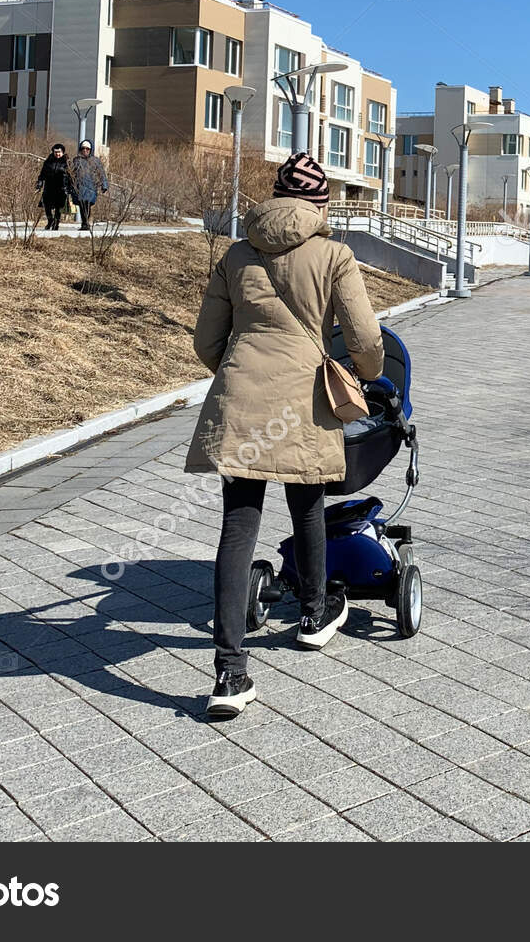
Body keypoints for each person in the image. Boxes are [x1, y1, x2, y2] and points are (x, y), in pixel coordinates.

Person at [187, 152, 385, 720]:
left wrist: (241, 375)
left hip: (243, 398)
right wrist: (369, 377)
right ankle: (314, 614)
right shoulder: (333, 255)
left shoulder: (236, 255)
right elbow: (365, 337)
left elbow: (206, 342)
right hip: (305, 401)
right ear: (320, 205)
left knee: (238, 522)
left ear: (275, 197)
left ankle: (229, 672)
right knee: (308, 504)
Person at [67, 139, 109, 230]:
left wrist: (104, 184)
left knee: (87, 204)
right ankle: (84, 223)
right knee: (82, 205)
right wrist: (69, 186)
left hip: (91, 187)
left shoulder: (95, 161)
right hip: (79, 187)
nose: (85, 150)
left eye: (87, 149)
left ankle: (85, 223)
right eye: (83, 148)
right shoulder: (76, 160)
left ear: (90, 150)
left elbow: (101, 173)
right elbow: (71, 174)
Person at [35, 143, 71, 231]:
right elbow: (42, 174)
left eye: (59, 152)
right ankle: (50, 220)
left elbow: (71, 177)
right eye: (56, 152)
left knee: (59, 207)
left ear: (62, 152)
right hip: (49, 187)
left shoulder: (67, 162)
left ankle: (56, 223)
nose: (57, 154)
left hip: (61, 188)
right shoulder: (48, 162)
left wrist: (69, 188)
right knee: (47, 205)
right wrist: (39, 183)